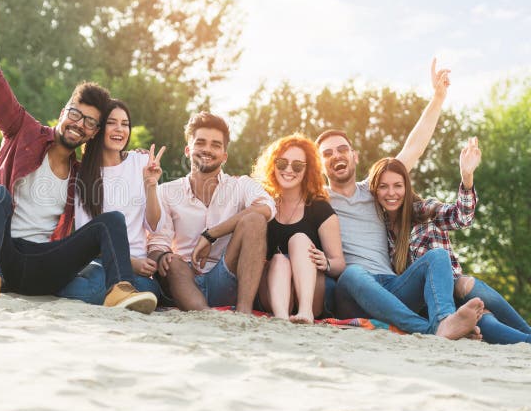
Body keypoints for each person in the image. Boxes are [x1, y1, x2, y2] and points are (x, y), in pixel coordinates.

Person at [0, 0, 157, 313]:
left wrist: (137, 158)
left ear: (94, 133)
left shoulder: (83, 176)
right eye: (75, 113)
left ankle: (119, 288)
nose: (79, 124)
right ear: (64, 111)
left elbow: (119, 173)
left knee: (109, 221)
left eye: (90, 123)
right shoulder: (23, 130)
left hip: (41, 266)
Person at [316, 59, 484, 339]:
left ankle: (444, 321)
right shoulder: (319, 200)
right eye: (328, 153)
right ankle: (431, 329)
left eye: (342, 149)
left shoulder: (374, 190)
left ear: (354, 156)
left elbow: (414, 147)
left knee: (437, 256)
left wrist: (438, 98)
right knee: (354, 273)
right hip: (353, 291)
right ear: (320, 164)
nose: (336, 156)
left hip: (393, 288)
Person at [369, 139, 531, 344]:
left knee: (469, 288)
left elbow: (461, 217)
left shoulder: (423, 210)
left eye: (397, 186)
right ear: (375, 190)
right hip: (429, 306)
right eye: (383, 187)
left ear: (406, 187)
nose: (391, 193)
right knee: (481, 316)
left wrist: (467, 177)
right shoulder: (377, 228)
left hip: (456, 291)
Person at [147, 112, 276, 314]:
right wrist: (162, 256)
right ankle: (205, 316)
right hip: (183, 281)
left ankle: (243, 313)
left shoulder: (240, 185)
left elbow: (267, 207)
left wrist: (211, 235)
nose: (207, 149)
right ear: (188, 150)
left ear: (224, 156)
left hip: (225, 276)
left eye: (216, 145)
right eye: (201, 143)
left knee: (255, 219)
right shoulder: (167, 191)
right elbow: (156, 244)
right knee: (173, 260)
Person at [56, 99, 167, 304]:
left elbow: (154, 225)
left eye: (125, 124)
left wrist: (151, 185)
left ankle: (117, 295)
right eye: (112, 123)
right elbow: (88, 239)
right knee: (95, 285)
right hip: (100, 264)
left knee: (149, 289)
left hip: (139, 271)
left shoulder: (141, 162)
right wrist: (128, 263)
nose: (120, 129)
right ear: (98, 129)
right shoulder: (84, 176)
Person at [252, 134, 345, 323]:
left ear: (307, 170)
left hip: (313, 296)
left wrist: (326, 263)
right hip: (273, 291)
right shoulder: (264, 204)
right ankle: (281, 318)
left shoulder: (319, 208)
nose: (289, 170)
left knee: (299, 239)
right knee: (279, 260)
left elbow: (339, 264)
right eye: (282, 163)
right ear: (273, 165)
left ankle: (305, 312)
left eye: (297, 166)